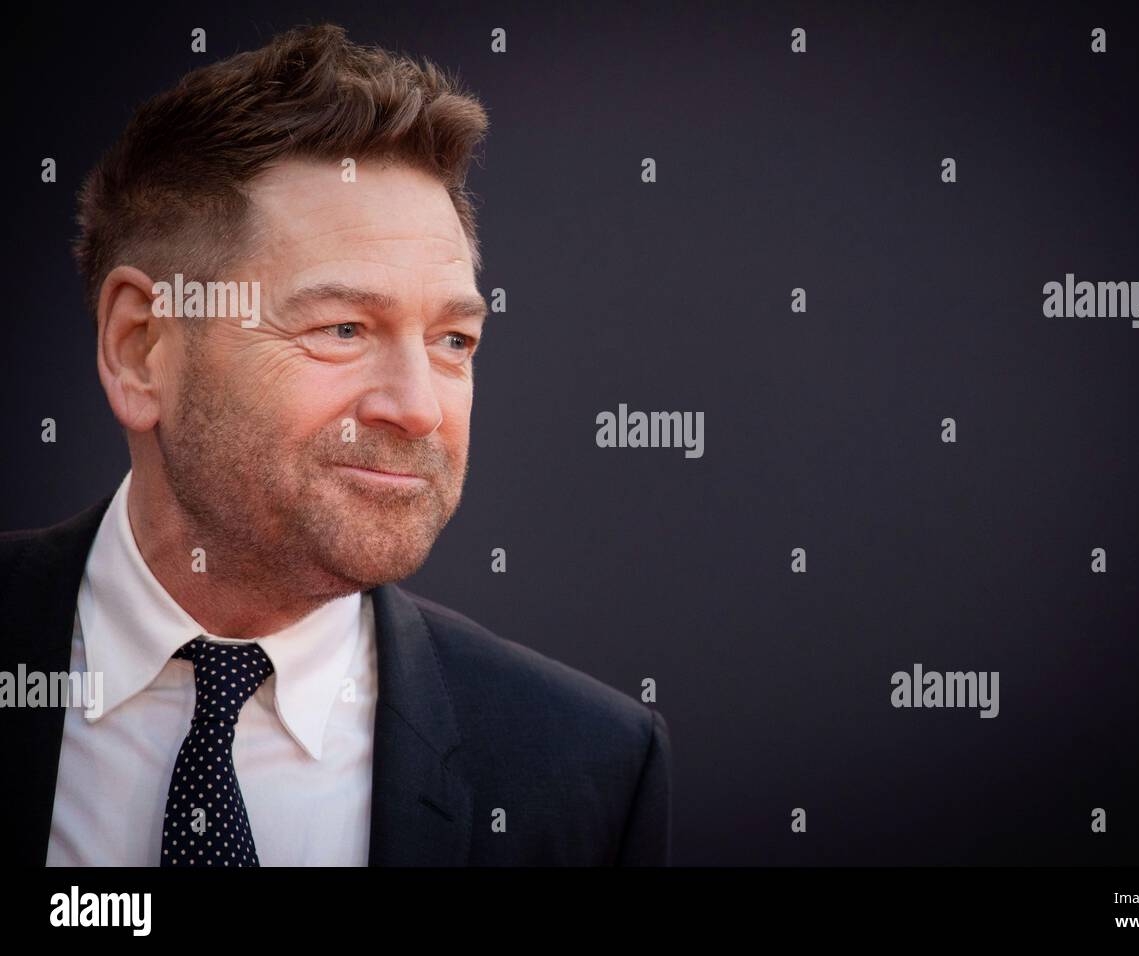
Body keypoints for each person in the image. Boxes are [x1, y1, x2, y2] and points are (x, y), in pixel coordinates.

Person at [0, 23, 670, 867]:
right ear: (143, 348)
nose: (419, 409)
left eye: (453, 341)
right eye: (344, 328)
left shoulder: (588, 769)